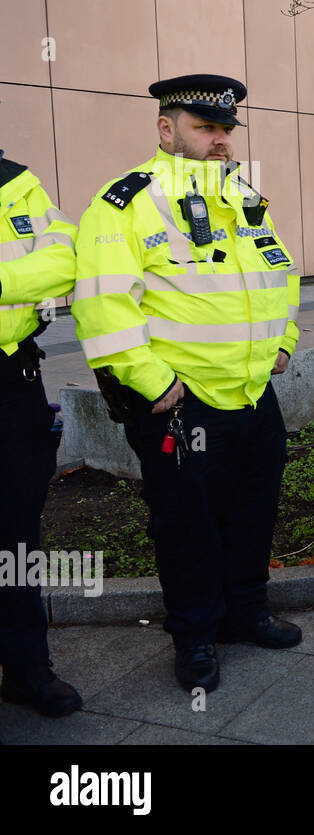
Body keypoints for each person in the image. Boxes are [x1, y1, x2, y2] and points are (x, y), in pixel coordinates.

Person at [72, 74, 301, 693]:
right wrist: (151, 382)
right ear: (165, 128)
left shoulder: (246, 196)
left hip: (254, 395)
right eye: (206, 127)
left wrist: (284, 341)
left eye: (226, 128)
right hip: (183, 402)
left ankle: (245, 612)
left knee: (254, 512)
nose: (219, 139)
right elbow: (100, 302)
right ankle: (196, 636)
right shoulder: (126, 202)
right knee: (187, 525)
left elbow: (280, 276)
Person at [0, 149, 82, 717]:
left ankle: (28, 670)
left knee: (16, 540)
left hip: (12, 383)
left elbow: (64, 260)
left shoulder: (17, 184)